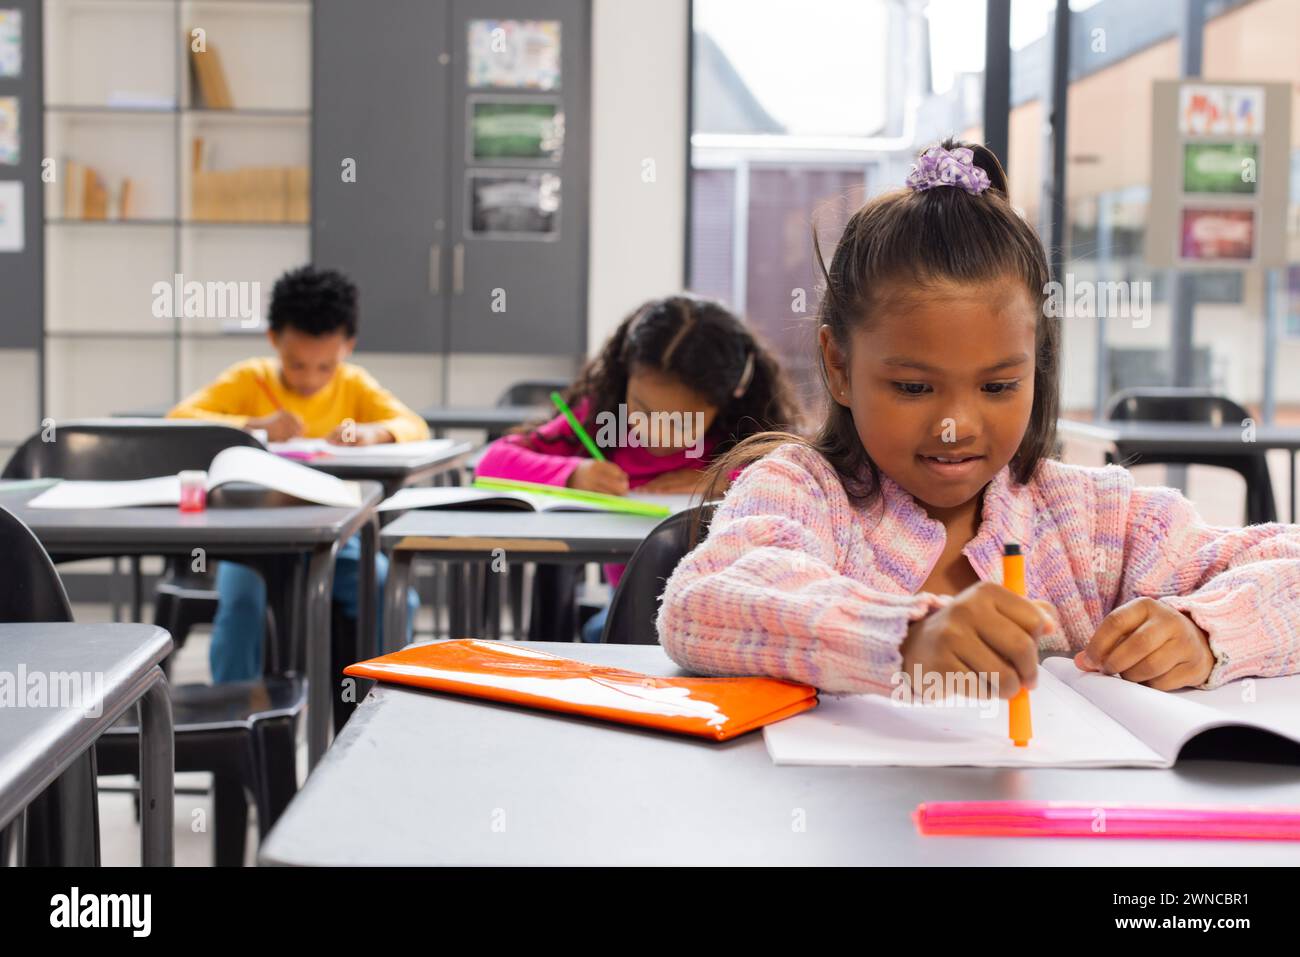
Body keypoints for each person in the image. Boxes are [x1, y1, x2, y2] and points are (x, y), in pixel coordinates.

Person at [657, 140, 1300, 695]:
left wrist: (1206, 630)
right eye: (913, 386)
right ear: (841, 365)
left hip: (1043, 835)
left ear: (1037, 366)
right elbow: (702, 603)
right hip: (851, 831)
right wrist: (905, 638)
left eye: (998, 385)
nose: (955, 426)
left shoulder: (1092, 521)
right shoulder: (803, 492)